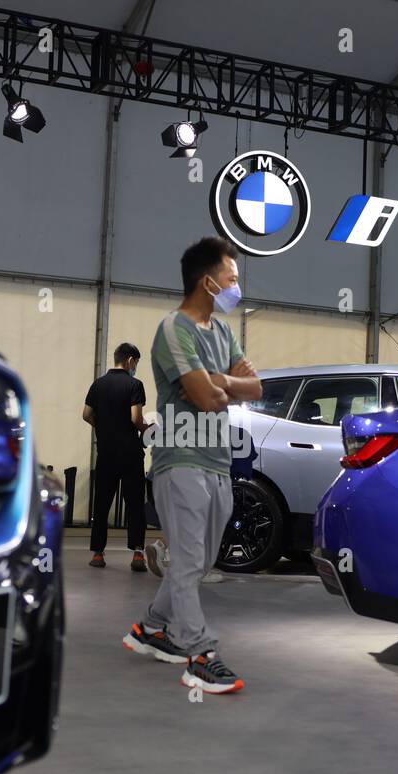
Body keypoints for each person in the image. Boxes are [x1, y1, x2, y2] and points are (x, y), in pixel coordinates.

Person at [122, 237, 261, 694]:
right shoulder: (173, 328)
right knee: (185, 560)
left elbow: (253, 387)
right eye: (231, 278)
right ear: (207, 281)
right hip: (179, 460)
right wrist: (218, 388)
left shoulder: (222, 333)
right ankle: (200, 655)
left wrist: (215, 384)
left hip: (217, 461)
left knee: (198, 561)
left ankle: (149, 629)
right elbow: (205, 399)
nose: (236, 286)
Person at [83, 342, 148, 571]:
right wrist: (146, 429)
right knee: (135, 504)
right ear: (130, 361)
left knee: (101, 503)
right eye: (136, 363)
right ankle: (138, 554)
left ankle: (98, 554)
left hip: (106, 453)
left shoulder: (98, 384)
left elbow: (86, 414)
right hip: (130, 454)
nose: (136, 367)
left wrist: (103, 428)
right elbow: (135, 418)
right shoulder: (135, 385)